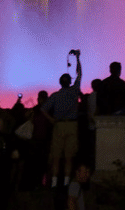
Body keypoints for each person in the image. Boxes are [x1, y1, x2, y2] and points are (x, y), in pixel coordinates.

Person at [42, 49, 81, 188]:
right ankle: (65, 183)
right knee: (69, 157)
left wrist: (51, 119)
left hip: (58, 125)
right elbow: (79, 74)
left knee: (56, 157)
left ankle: (53, 183)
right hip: (72, 125)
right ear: (69, 82)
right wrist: (77, 58)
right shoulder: (74, 91)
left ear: (60, 82)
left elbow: (43, 109)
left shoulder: (55, 96)